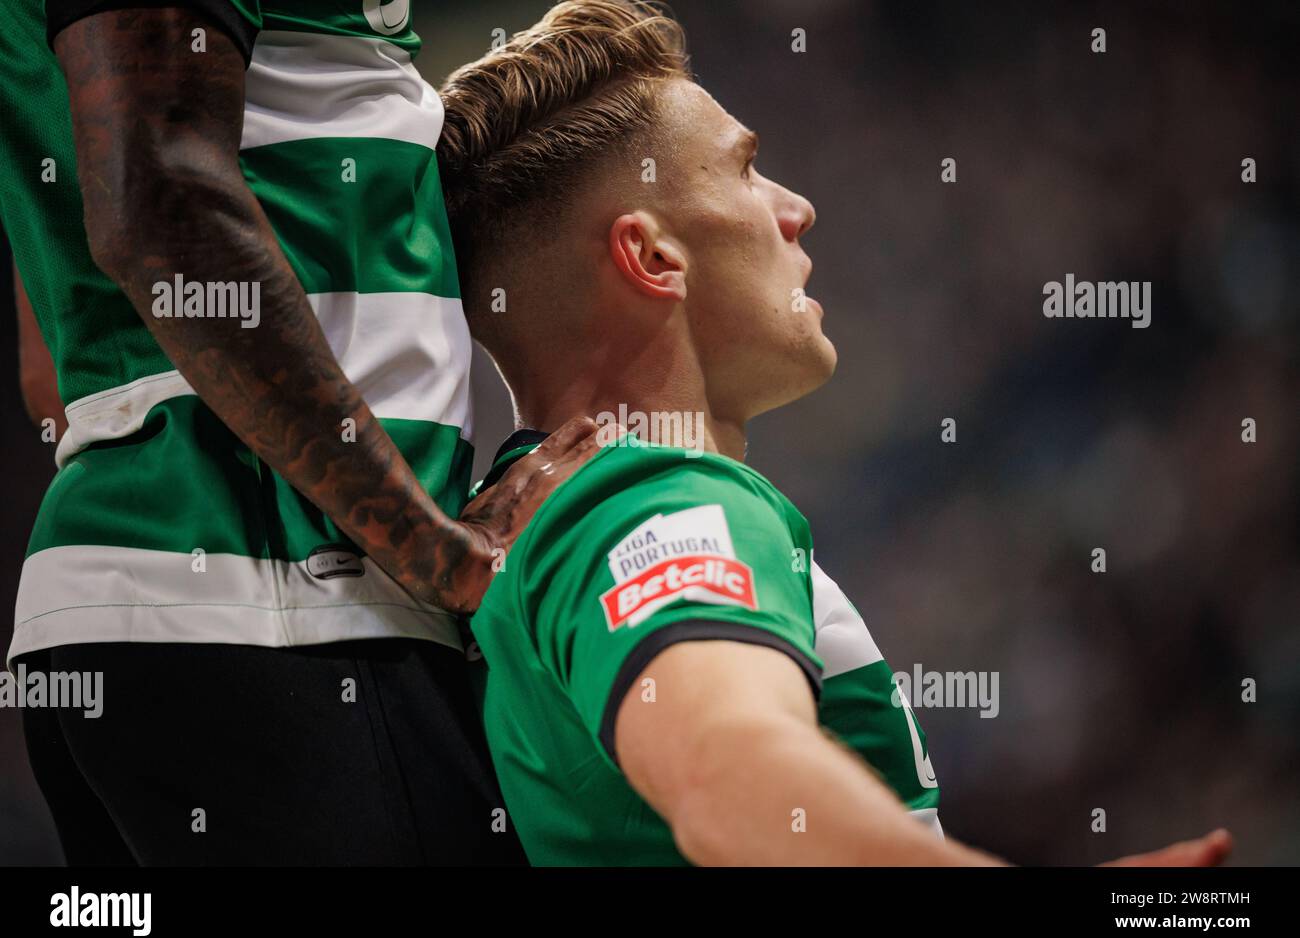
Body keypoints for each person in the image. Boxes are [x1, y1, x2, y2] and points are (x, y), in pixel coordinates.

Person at [437, 0, 1234, 866]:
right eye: (746, 171)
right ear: (654, 257)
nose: (798, 208)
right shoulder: (654, 500)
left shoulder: (522, 535)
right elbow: (730, 784)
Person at [0, 0, 596, 865]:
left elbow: (50, 365)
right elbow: (158, 207)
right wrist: (437, 552)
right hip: (286, 597)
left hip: (167, 593)